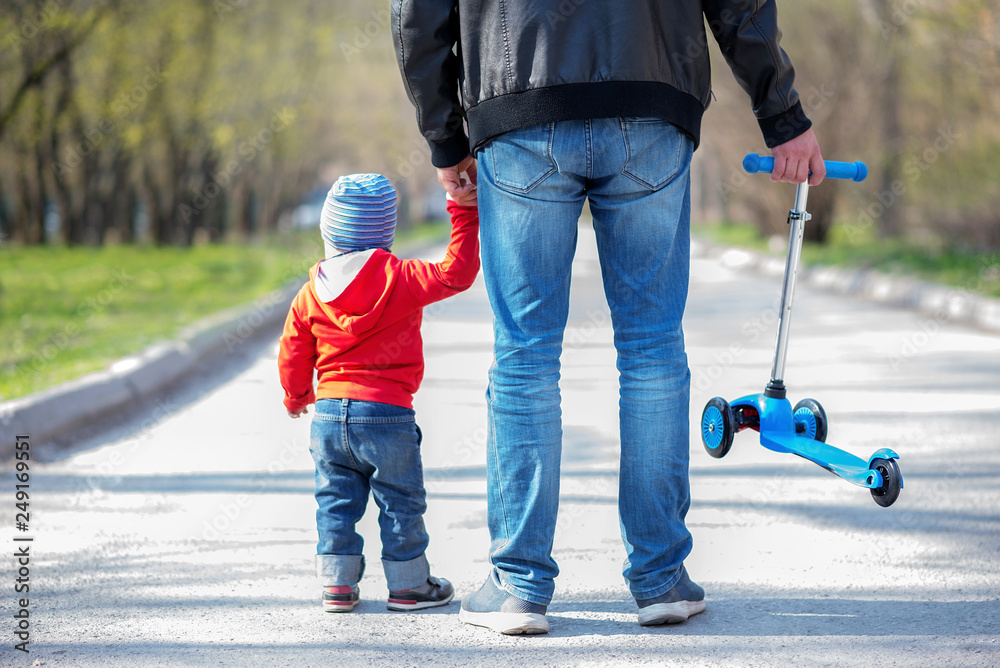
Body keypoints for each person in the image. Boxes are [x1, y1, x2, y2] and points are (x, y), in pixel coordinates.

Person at [392, 1, 825, 634]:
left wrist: (445, 136)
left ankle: (517, 586)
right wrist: (781, 114)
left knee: (525, 354)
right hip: (651, 108)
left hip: (519, 113)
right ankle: (661, 581)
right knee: (651, 347)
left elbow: (418, 13)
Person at [278, 173, 480, 613]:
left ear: (328, 231)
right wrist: (462, 210)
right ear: (385, 232)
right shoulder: (403, 278)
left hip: (329, 416)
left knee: (335, 500)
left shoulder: (310, 294)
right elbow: (456, 274)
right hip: (388, 415)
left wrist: (297, 397)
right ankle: (409, 585)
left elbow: (293, 350)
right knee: (400, 502)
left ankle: (338, 586)